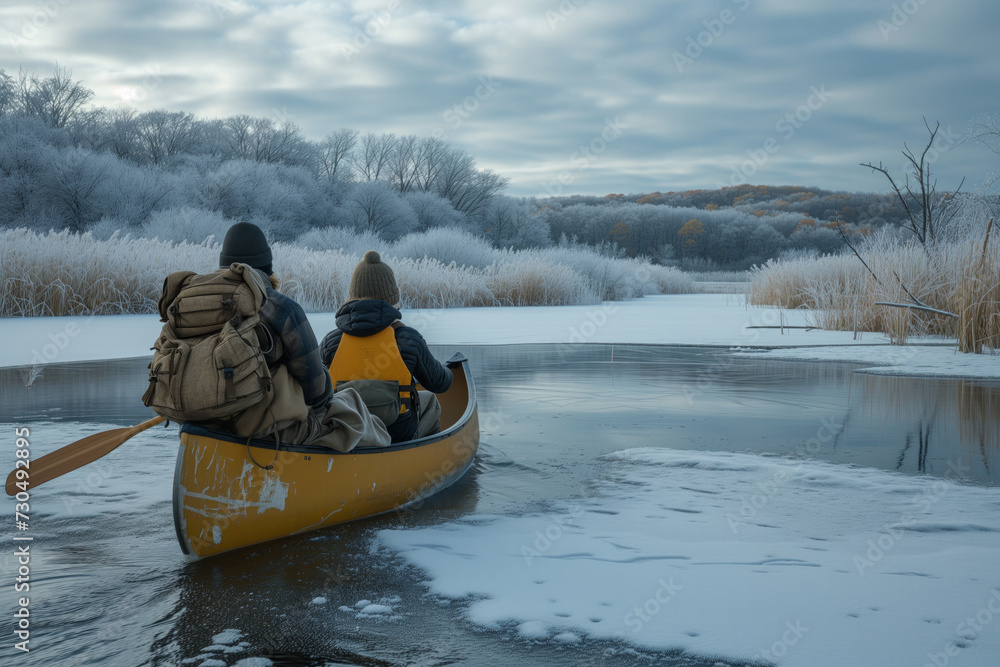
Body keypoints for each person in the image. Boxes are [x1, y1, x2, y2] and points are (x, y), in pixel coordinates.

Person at [210, 222, 390, 452]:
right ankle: (389, 462)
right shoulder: (281, 308)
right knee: (353, 406)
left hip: (211, 426)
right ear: (268, 267)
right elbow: (317, 393)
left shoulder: (193, 306)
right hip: (272, 432)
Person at [321, 250, 452, 442]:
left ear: (352, 297)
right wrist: (445, 369)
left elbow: (313, 393)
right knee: (430, 400)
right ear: (392, 300)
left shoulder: (331, 342)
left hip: (349, 435)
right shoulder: (408, 339)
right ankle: (424, 457)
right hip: (398, 435)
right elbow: (440, 384)